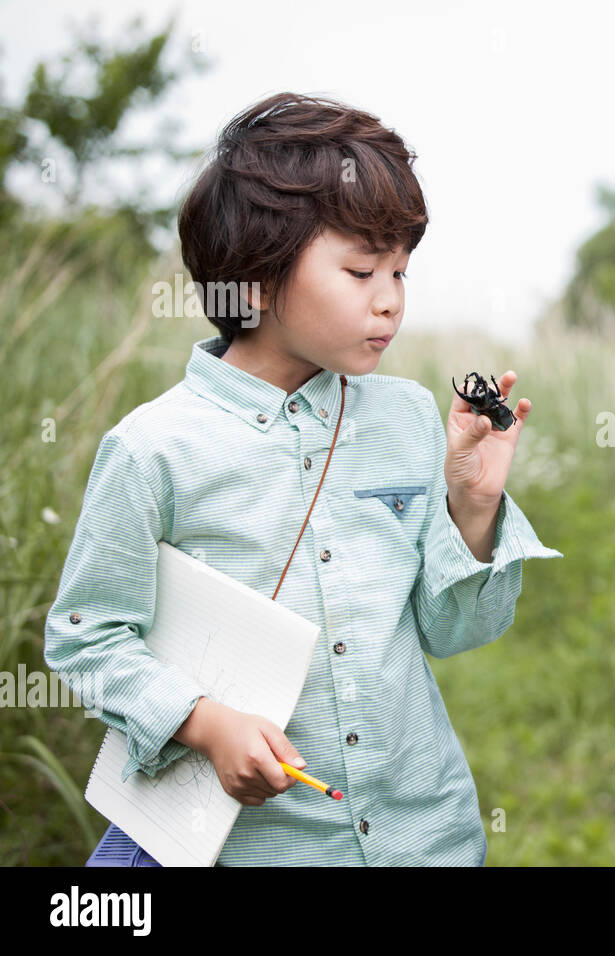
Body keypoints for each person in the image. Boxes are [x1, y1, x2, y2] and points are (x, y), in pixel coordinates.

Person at [44, 92, 560, 866]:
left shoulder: (407, 417)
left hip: (428, 838)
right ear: (253, 282)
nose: (389, 300)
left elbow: (458, 631)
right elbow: (86, 638)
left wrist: (473, 507)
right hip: (261, 848)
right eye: (359, 270)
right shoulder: (154, 448)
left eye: (400, 271)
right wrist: (203, 722)